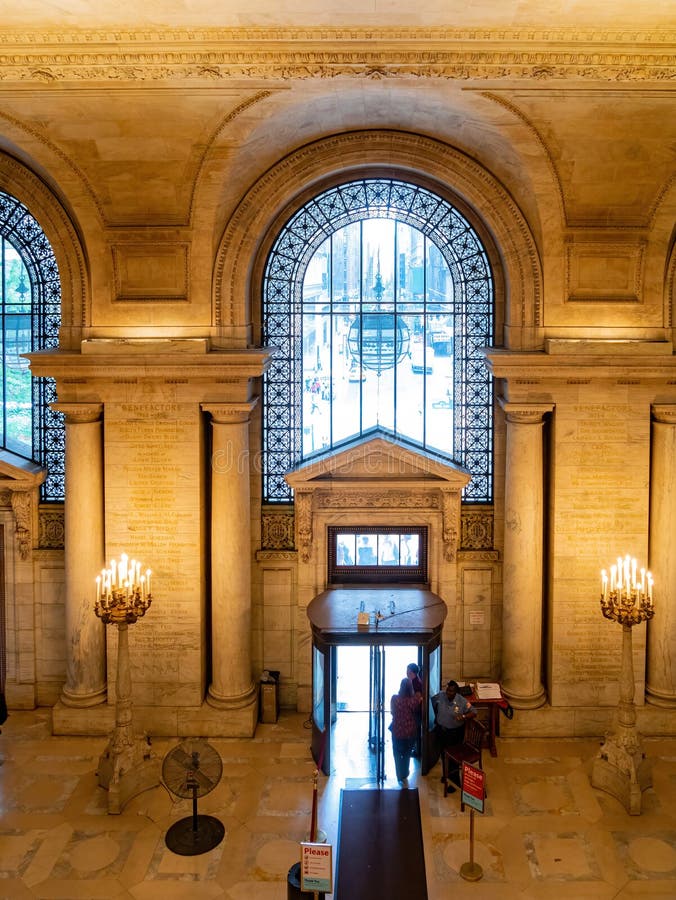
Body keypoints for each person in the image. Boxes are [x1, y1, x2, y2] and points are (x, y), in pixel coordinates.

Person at [431, 680, 476, 793]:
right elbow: (431, 702)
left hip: (455, 733)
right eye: (448, 690)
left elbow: (474, 711)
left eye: (451, 691)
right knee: (443, 754)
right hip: (442, 731)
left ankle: (454, 782)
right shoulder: (441, 696)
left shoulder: (462, 701)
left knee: (453, 759)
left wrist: (464, 716)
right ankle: (446, 776)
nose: (448, 693)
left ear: (456, 692)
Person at [390, 678, 421, 786]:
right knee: (407, 753)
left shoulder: (394, 699)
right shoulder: (413, 700)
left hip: (397, 730)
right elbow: (419, 702)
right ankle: (405, 773)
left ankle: (399, 775)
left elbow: (392, 712)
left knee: (397, 754)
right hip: (409, 732)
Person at [407, 663, 423, 758]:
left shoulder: (415, 683)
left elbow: (418, 699)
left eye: (408, 671)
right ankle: (416, 749)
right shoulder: (416, 680)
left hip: (416, 711)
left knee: (416, 731)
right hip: (416, 710)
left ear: (413, 672)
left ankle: (417, 752)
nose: (406, 673)